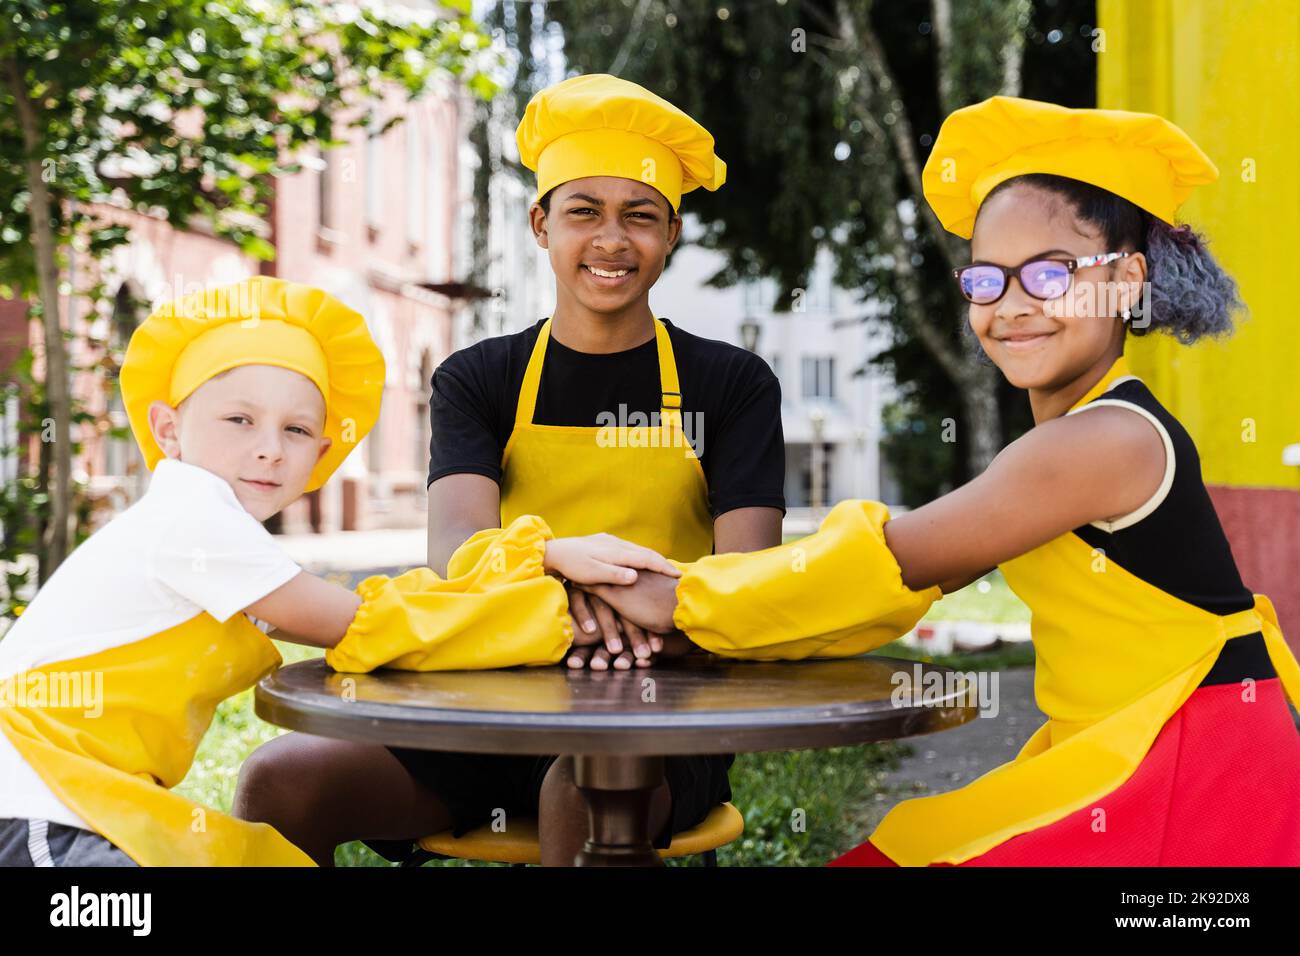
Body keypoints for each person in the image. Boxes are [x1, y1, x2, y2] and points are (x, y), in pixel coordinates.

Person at [580, 96, 1300, 866]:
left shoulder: (1103, 441)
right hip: (1137, 749)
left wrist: (677, 601)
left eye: (1050, 273)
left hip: (1197, 780)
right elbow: (881, 582)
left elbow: (892, 561)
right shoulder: (1080, 431)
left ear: (1126, 280)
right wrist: (701, 619)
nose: (1013, 306)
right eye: (987, 279)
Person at [234, 73, 787, 868]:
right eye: (583, 212)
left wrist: (635, 635)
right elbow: (458, 553)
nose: (611, 239)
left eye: (640, 215)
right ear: (540, 223)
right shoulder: (479, 378)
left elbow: (747, 582)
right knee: (280, 781)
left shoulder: (729, 385)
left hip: (659, 708)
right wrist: (591, 607)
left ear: (671, 234)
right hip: (483, 702)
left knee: (586, 790)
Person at [0, 276, 662, 866]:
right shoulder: (190, 516)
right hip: (39, 800)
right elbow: (360, 625)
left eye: (295, 431)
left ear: (321, 452)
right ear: (168, 428)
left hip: (85, 797)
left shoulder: (212, 525)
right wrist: (543, 585)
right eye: (239, 419)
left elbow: (380, 605)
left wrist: (527, 559)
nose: (268, 448)